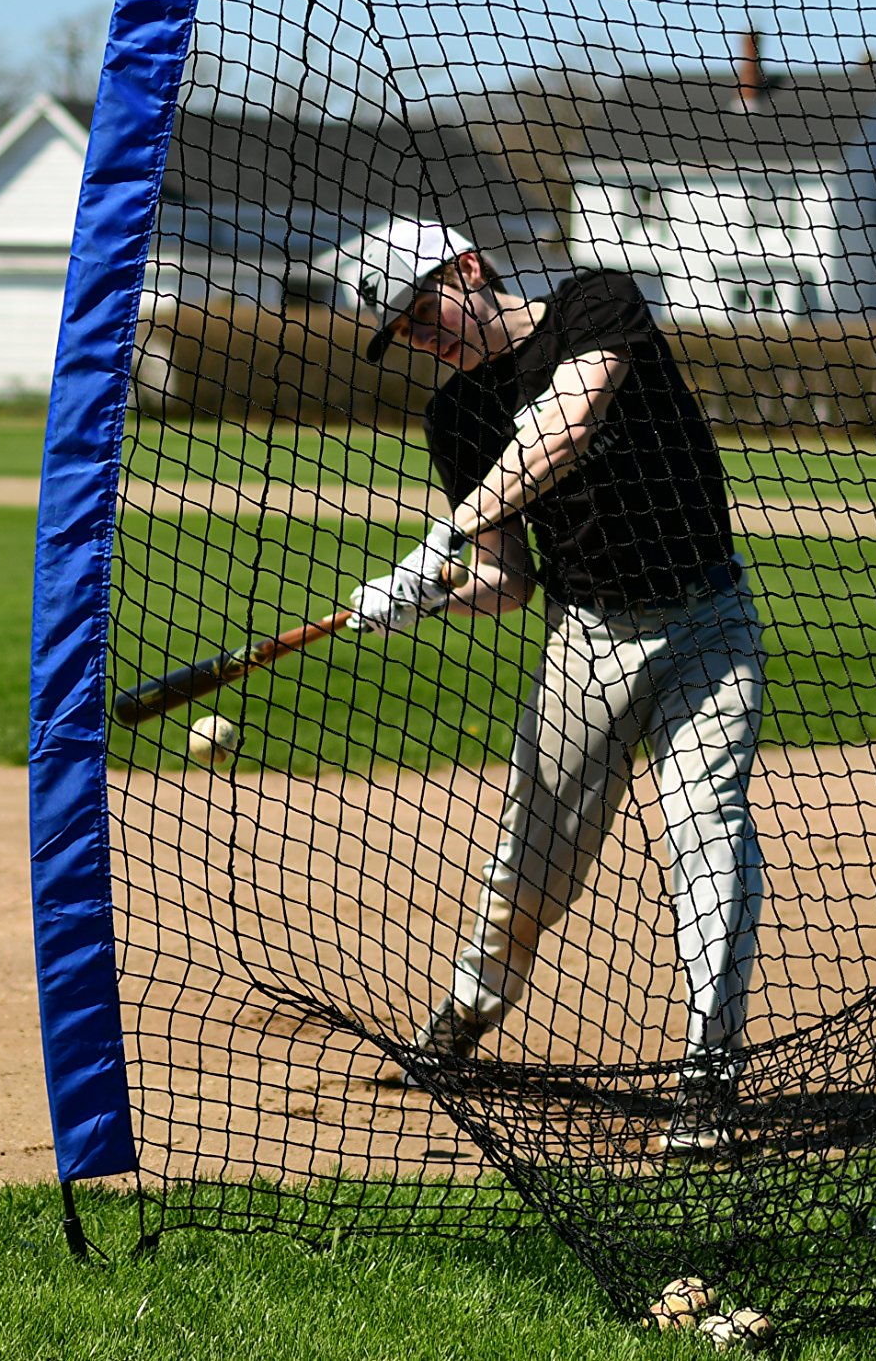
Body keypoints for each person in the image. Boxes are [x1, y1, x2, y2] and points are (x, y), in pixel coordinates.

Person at [339, 217, 765, 1152]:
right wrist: (431, 595)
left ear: (469, 268)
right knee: (535, 865)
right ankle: (467, 1010)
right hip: (589, 638)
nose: (422, 336)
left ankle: (710, 1070)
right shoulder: (456, 414)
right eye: (404, 331)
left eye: (424, 309)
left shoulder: (594, 304)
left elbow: (567, 428)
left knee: (706, 823)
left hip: (707, 620)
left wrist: (444, 536)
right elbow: (508, 580)